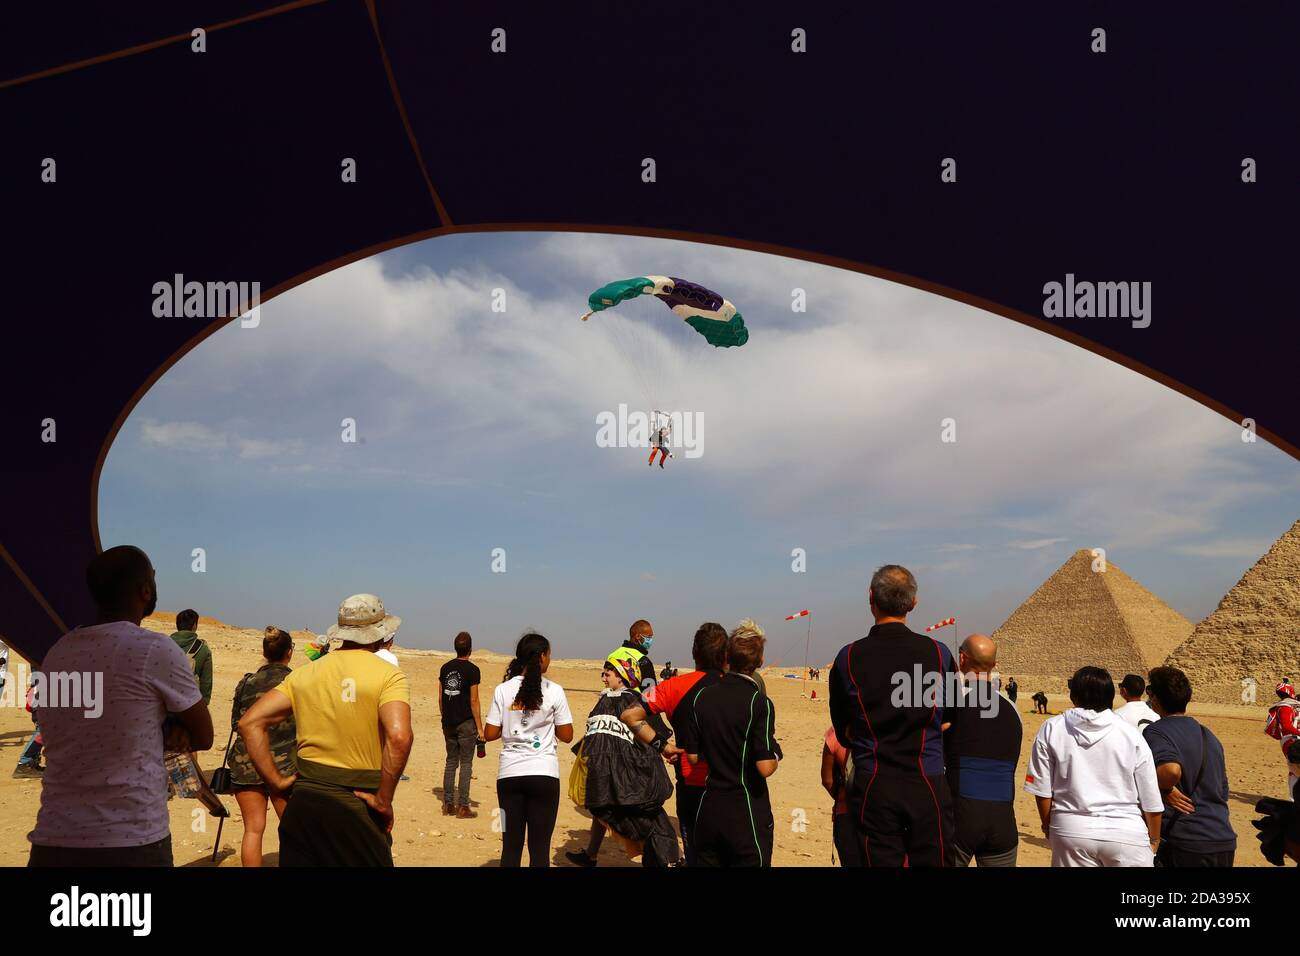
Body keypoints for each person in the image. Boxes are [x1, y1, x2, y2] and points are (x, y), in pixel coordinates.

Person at [28, 546, 214, 867]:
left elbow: (63, 722)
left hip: (54, 839)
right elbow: (204, 734)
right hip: (130, 840)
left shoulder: (58, 651)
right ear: (144, 590)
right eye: (153, 578)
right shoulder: (153, 648)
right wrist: (170, 728)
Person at [239, 593, 412, 867]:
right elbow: (399, 737)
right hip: (357, 807)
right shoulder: (389, 675)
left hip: (304, 803)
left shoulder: (305, 674)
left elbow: (250, 723)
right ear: (380, 634)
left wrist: (275, 782)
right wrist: (383, 799)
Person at [829, 565, 955, 867]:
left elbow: (843, 728)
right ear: (914, 603)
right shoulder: (939, 654)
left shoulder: (848, 657)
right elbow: (950, 717)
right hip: (927, 780)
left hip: (874, 783)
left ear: (870, 598)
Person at [1023, 666, 1163, 867]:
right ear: (1111, 696)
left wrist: (1049, 827)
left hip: (1071, 830)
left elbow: (1042, 789)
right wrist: (1154, 840)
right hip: (1126, 832)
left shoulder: (1052, 728)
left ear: (1073, 695)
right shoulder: (1130, 733)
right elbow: (1151, 796)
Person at [617, 621, 728, 866]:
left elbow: (629, 715)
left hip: (691, 781)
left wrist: (662, 746)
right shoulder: (739, 688)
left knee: (696, 855)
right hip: (731, 785)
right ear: (725, 656)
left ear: (694, 654)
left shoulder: (672, 686)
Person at [680, 620, 779, 867]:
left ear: (727, 657)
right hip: (745, 809)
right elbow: (764, 767)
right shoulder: (759, 703)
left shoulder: (703, 697)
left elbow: (693, 757)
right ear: (760, 661)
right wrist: (776, 753)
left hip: (709, 807)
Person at [570, 657, 680, 866]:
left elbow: (654, 733)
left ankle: (670, 858)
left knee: (645, 823)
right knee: (607, 809)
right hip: (611, 775)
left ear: (622, 677)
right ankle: (591, 854)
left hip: (631, 777)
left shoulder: (634, 702)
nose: (603, 678)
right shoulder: (609, 699)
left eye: (608, 674)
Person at [484, 632, 574, 867]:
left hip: (509, 777)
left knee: (510, 848)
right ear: (542, 657)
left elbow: (489, 734)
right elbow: (567, 735)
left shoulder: (502, 690)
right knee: (540, 850)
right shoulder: (555, 690)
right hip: (544, 775)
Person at [1142, 666, 1236, 867]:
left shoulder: (1156, 731)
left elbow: (1171, 770)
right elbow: (1222, 789)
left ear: (1155, 698)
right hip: (1221, 838)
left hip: (1186, 841)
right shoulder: (1208, 735)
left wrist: (1164, 788)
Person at [943, 635, 1022, 867]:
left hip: (960, 815)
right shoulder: (1013, 710)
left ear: (961, 659)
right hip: (1004, 820)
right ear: (994, 665)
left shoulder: (952, 703)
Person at [226, 627, 298, 867]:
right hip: (284, 766)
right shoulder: (296, 682)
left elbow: (237, 724)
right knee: (292, 831)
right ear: (289, 652)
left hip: (247, 764)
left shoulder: (247, 682)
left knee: (253, 830)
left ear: (264, 652)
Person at [439, 631, 483, 818]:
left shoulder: (445, 668)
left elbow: (440, 697)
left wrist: (444, 717)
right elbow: (474, 701)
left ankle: (448, 804)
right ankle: (463, 806)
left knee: (450, 762)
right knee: (465, 763)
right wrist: (480, 728)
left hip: (448, 722)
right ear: (470, 649)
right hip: (466, 722)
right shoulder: (473, 670)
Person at [821, 725, 861, 866]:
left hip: (846, 812)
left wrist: (843, 798)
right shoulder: (885, 725)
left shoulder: (836, 732)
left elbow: (827, 780)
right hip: (882, 813)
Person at [171, 608, 213, 706]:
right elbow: (206, 684)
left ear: (177, 625)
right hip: (189, 705)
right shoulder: (202, 649)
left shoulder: (163, 644)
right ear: (194, 625)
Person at [1265, 679, 1300, 791]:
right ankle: (1294, 800)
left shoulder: (1291, 705)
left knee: (1294, 771)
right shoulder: (1285, 707)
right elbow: (1286, 727)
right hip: (1292, 741)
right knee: (1295, 770)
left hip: (1293, 740)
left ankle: (1293, 799)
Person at [608, 619, 658, 694]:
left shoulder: (612, 655)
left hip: (613, 703)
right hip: (634, 703)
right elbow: (650, 694)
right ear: (637, 636)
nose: (650, 640)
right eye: (649, 637)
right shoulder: (643, 660)